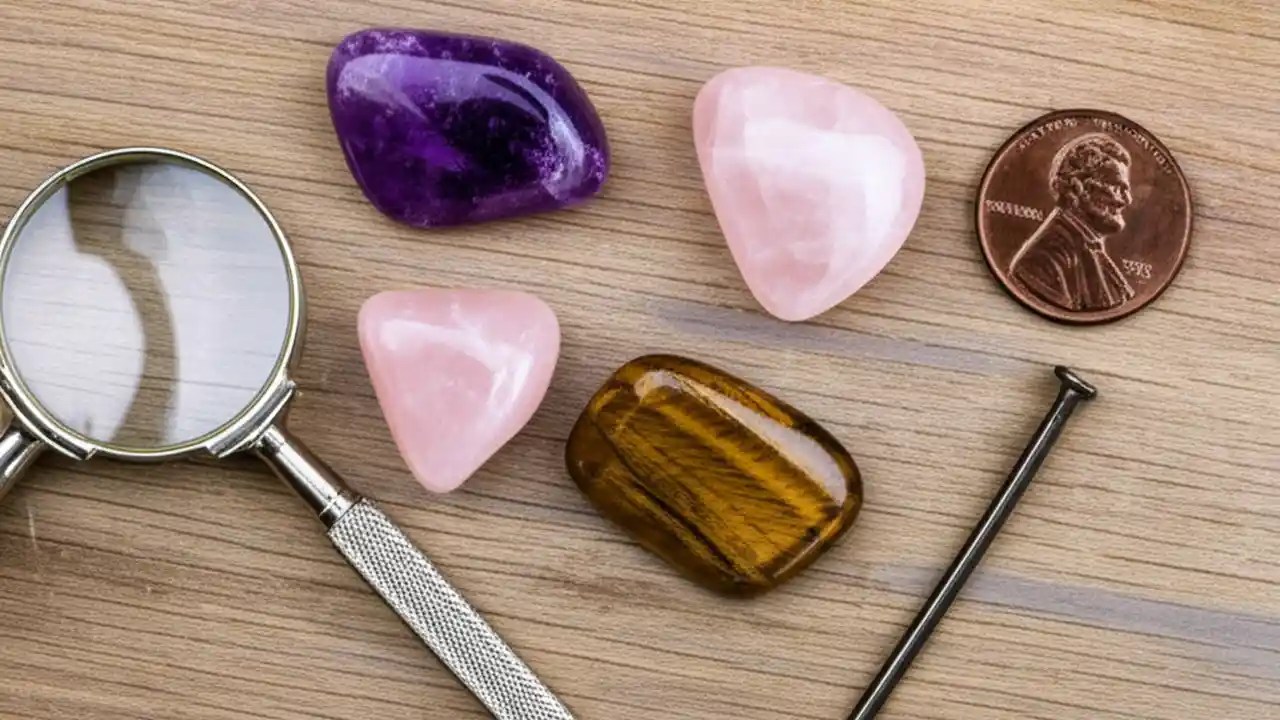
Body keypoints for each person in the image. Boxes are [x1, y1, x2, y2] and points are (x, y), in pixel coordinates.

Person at [1009, 133, 1136, 312]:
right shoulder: (1040, 262)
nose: (1127, 200)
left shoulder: (1089, 245)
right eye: (1116, 187)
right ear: (1079, 188)